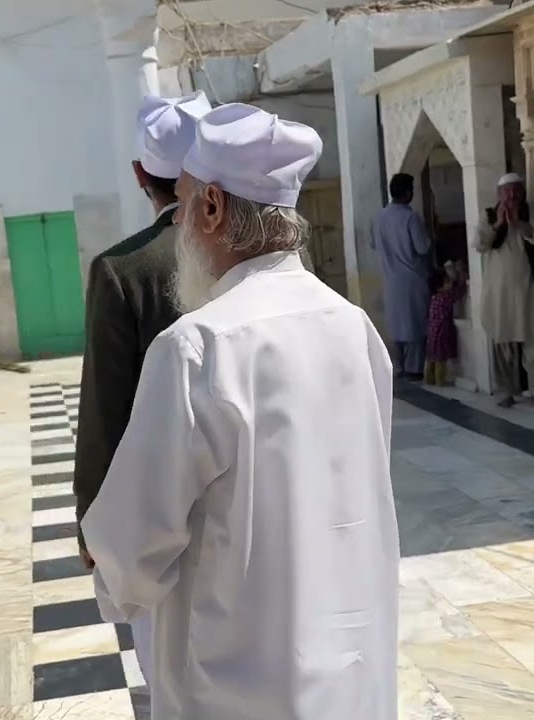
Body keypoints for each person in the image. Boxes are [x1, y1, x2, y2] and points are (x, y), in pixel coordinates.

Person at [80, 103, 400, 720]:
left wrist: (110, 568)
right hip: (347, 669)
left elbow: (135, 544)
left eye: (185, 204)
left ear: (212, 208)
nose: (179, 227)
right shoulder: (352, 326)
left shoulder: (196, 347)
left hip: (233, 679)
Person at [73, 91, 211, 690]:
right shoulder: (253, 256)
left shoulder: (122, 269)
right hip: (254, 490)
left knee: (172, 667)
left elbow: (105, 408)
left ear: (139, 174)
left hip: (158, 502)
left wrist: (91, 521)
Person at [475, 174, 534, 407]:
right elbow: (480, 244)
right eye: (507, 191)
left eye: (516, 190)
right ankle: (505, 392)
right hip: (499, 294)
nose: (512, 195)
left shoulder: (530, 212)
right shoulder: (488, 215)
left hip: (528, 289)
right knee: (502, 341)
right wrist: (498, 224)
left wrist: (518, 223)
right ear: (499, 194)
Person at [370, 172, 432, 379]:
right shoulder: (410, 218)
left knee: (397, 326)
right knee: (415, 326)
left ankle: (399, 366)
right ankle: (414, 369)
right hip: (413, 280)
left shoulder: (378, 218)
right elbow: (422, 247)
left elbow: (374, 245)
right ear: (407, 193)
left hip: (390, 280)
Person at [424, 262, 466, 386]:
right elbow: (459, 292)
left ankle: (429, 379)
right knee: (440, 359)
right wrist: (462, 275)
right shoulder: (445, 297)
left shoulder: (434, 298)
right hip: (442, 332)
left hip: (432, 333)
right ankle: (440, 380)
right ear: (440, 288)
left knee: (431, 357)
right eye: (447, 282)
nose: (450, 283)